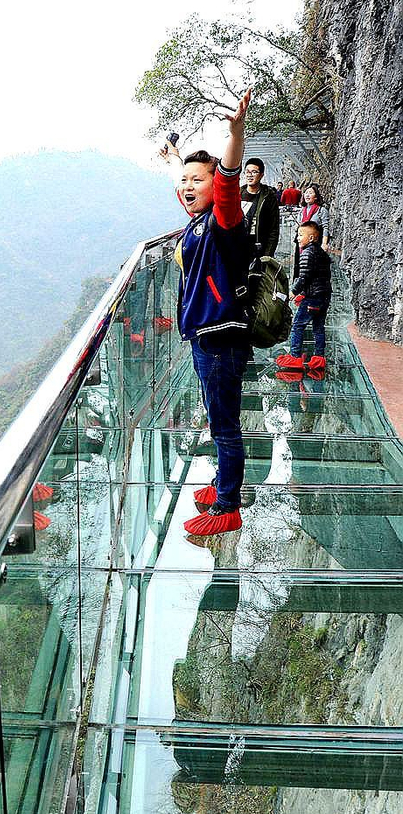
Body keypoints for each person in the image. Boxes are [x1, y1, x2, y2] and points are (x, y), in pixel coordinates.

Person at [161, 89, 253, 536]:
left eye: (197, 180)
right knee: (217, 415)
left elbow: (229, 182)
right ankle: (221, 482)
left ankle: (228, 505)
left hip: (220, 339)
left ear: (214, 184)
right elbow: (185, 188)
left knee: (224, 422)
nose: (187, 187)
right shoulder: (197, 221)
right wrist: (177, 159)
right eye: (184, 181)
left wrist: (235, 136)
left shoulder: (224, 218)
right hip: (204, 336)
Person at [276, 221, 332, 371]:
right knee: (318, 327)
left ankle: (294, 357)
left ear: (312, 237)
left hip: (313, 297)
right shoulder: (321, 252)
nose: (297, 238)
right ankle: (319, 358)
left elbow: (304, 277)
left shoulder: (307, 253)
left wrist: (293, 292)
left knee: (298, 325)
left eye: (301, 235)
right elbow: (320, 276)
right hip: (323, 296)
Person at [240, 157, 280, 257]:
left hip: (259, 247)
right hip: (238, 246)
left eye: (254, 172)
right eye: (247, 171)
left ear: (261, 175)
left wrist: (268, 255)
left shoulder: (269, 197)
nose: (250, 175)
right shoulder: (237, 194)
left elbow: (273, 229)